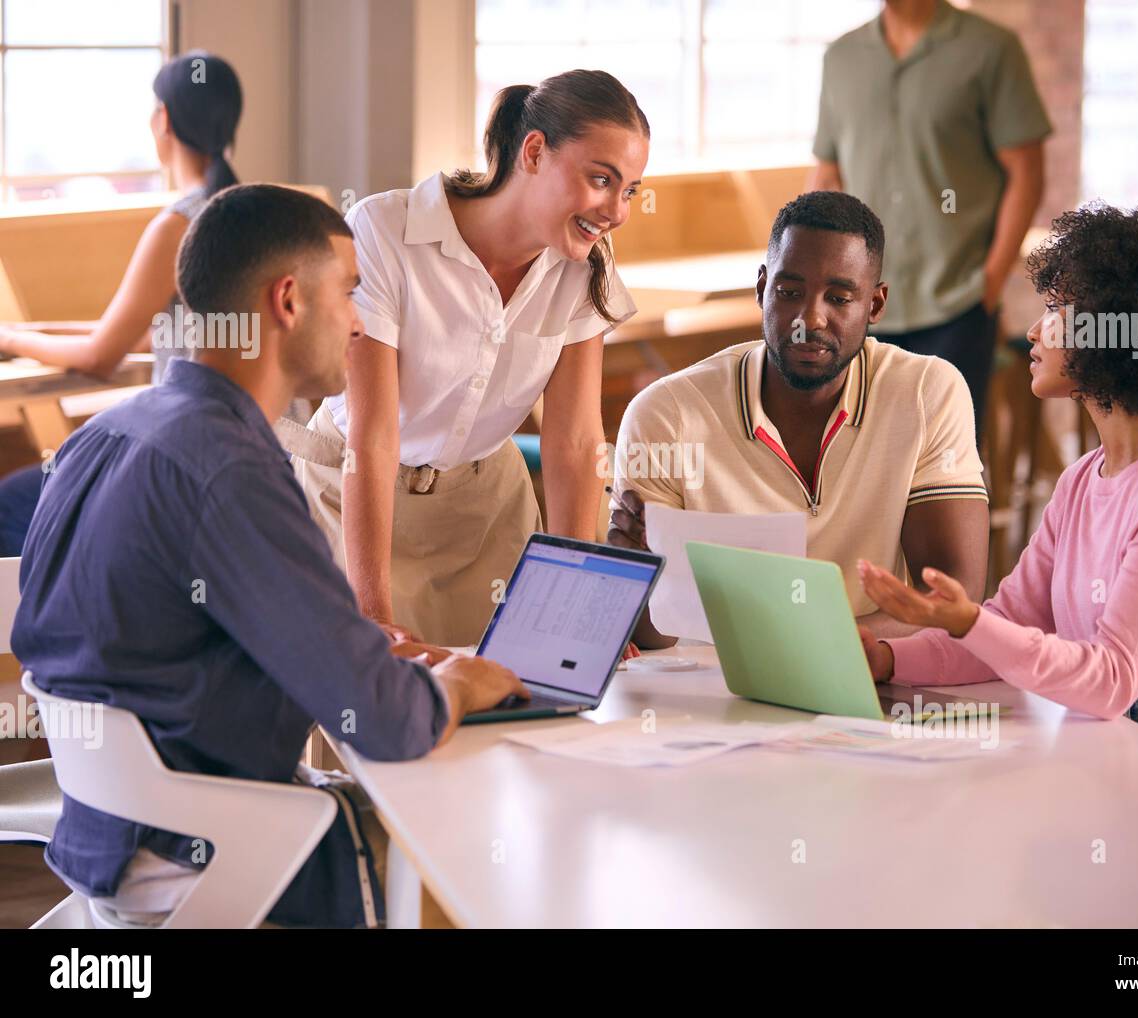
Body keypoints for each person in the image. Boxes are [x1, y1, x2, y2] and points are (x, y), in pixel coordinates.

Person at [13, 184, 527, 928]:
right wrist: (464, 683)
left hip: (104, 837)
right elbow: (384, 722)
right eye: (350, 293)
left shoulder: (111, 431)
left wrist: (353, 653)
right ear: (288, 300)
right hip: (207, 848)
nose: (358, 323)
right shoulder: (229, 468)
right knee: (496, 861)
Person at [857, 204, 1138, 791]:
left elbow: (1110, 679)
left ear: (1118, 331)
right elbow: (1004, 629)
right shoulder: (1082, 479)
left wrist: (970, 621)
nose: (1034, 330)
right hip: (1108, 740)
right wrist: (887, 656)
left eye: (1057, 312)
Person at [280, 69, 650, 648]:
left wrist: (576, 597)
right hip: (355, 498)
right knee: (365, 708)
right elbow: (372, 437)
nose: (617, 210)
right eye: (601, 179)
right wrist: (373, 614)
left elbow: (575, 445)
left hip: (485, 512)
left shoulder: (584, 269)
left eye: (628, 189)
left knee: (512, 701)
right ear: (534, 152)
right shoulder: (385, 231)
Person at [608, 190, 989, 649]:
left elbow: (952, 599)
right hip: (710, 693)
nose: (809, 318)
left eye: (839, 297)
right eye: (789, 293)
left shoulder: (926, 392)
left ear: (876, 304)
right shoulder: (666, 414)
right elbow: (655, 637)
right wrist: (631, 576)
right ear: (761, 288)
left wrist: (808, 642)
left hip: (865, 680)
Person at [0, 50, 243, 556]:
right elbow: (133, 328)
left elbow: (100, 356)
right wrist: (38, 329)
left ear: (164, 120)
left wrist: (9, 337)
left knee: (8, 504)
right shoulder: (249, 210)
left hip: (181, 457)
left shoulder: (178, 224)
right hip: (235, 450)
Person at [809, 0, 1049, 442]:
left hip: (956, 302)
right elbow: (827, 175)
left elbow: (1027, 173)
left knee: (946, 464)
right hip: (859, 306)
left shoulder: (990, 49)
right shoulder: (841, 58)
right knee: (858, 458)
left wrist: (990, 282)